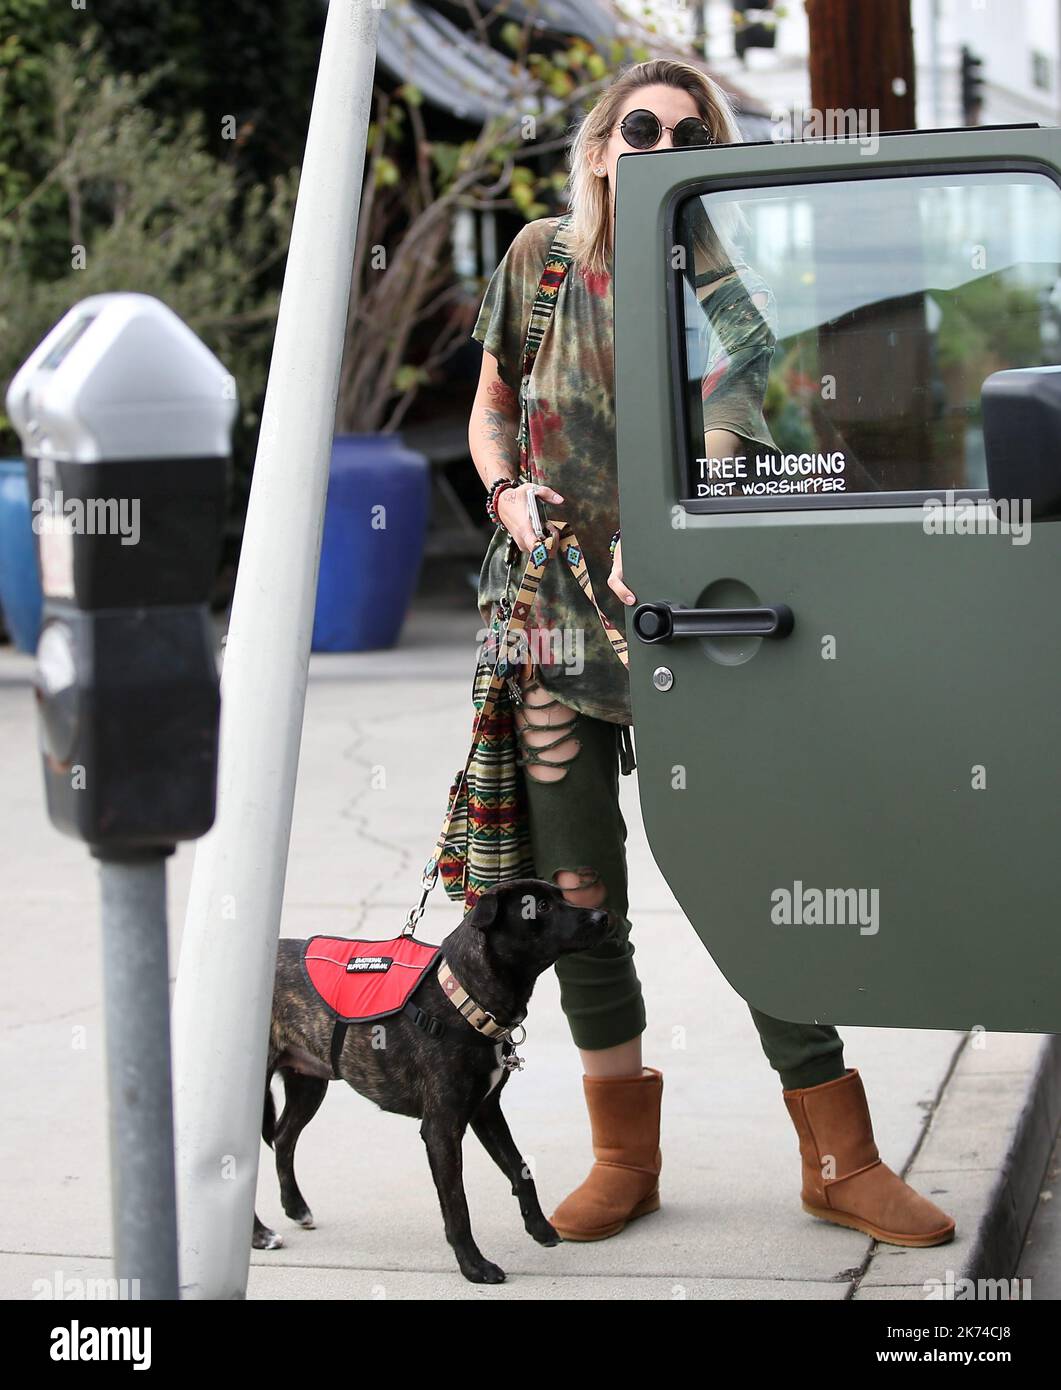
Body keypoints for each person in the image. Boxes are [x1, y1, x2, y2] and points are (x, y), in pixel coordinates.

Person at [467, 58, 955, 1249]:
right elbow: (488, 405)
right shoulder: (535, 261)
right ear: (597, 148)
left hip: (689, 622)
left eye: (690, 131)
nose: (661, 141)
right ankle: (621, 1157)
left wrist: (681, 512)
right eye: (640, 126)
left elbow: (746, 423)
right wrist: (503, 491)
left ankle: (837, 1156)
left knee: (756, 881)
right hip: (549, 621)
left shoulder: (718, 284)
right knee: (579, 895)